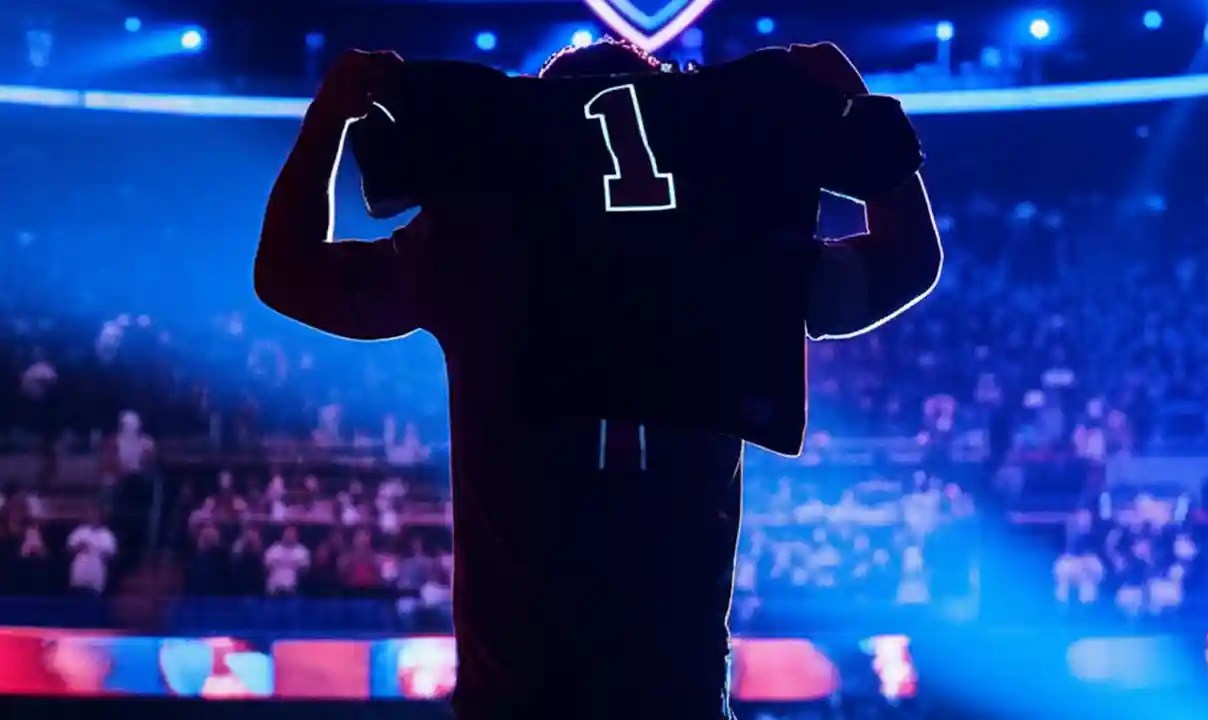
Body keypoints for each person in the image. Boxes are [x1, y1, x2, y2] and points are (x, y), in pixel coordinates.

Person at [255, 39, 939, 719]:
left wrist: (334, 115)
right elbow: (908, 260)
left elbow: (288, 271)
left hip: (515, 697)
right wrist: (851, 97)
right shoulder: (740, 244)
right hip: (678, 695)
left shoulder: (472, 241)